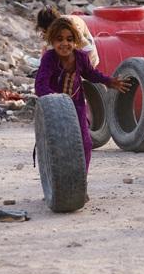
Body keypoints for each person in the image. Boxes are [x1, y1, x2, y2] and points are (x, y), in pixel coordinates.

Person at [35, 17, 129, 177]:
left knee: (85, 143)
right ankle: (57, 182)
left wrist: (109, 81)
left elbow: (91, 73)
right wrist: (54, 98)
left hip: (76, 105)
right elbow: (40, 85)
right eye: (59, 39)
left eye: (69, 39)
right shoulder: (49, 58)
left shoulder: (81, 57)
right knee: (58, 144)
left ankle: (80, 180)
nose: (65, 44)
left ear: (76, 41)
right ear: (52, 40)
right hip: (54, 108)